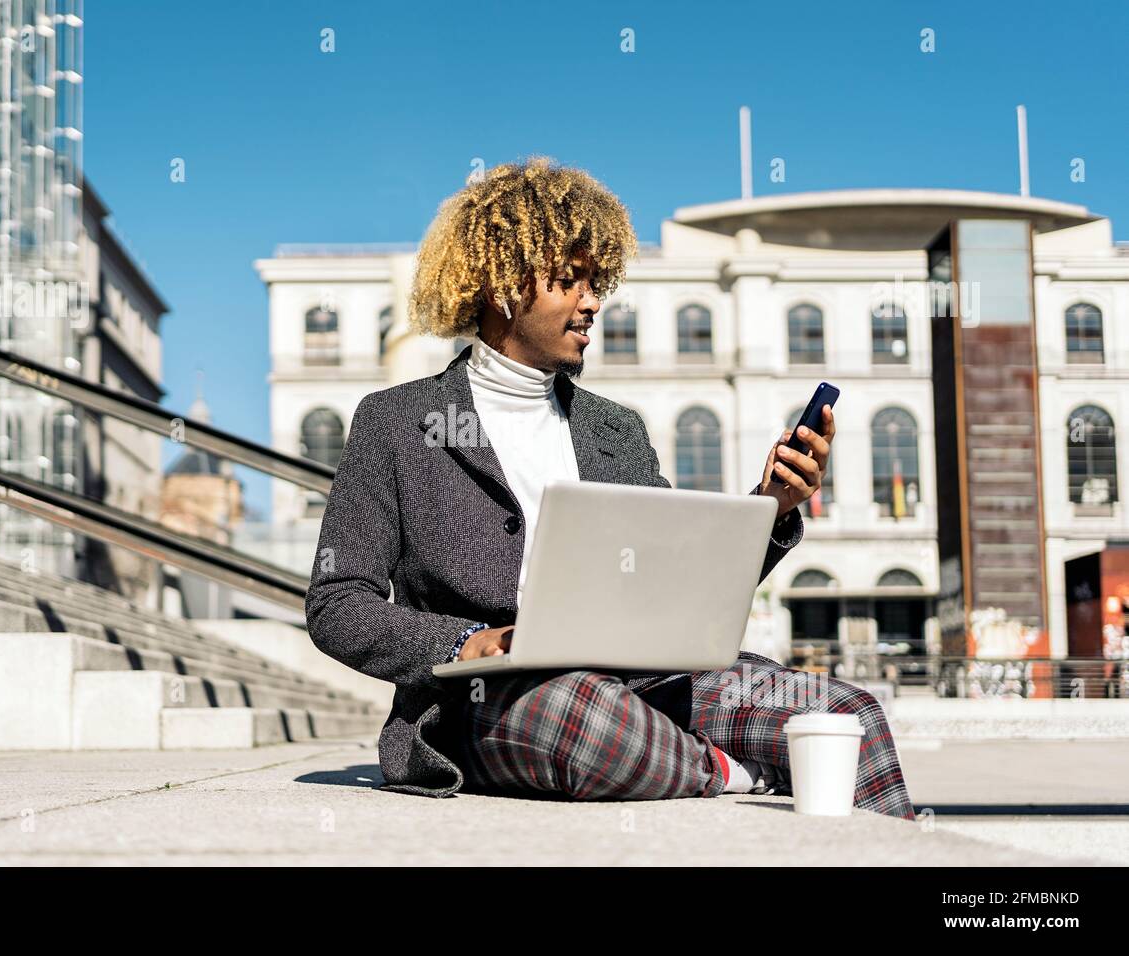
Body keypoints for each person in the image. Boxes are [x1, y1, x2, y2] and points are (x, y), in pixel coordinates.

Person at [304, 156, 915, 820]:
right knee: (583, 716)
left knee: (847, 714)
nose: (593, 302)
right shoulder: (393, 422)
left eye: (596, 283)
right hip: (488, 702)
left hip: (650, 681)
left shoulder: (616, 429)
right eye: (569, 282)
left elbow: (684, 586)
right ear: (499, 285)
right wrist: (463, 643)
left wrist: (772, 506)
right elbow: (338, 604)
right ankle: (741, 776)